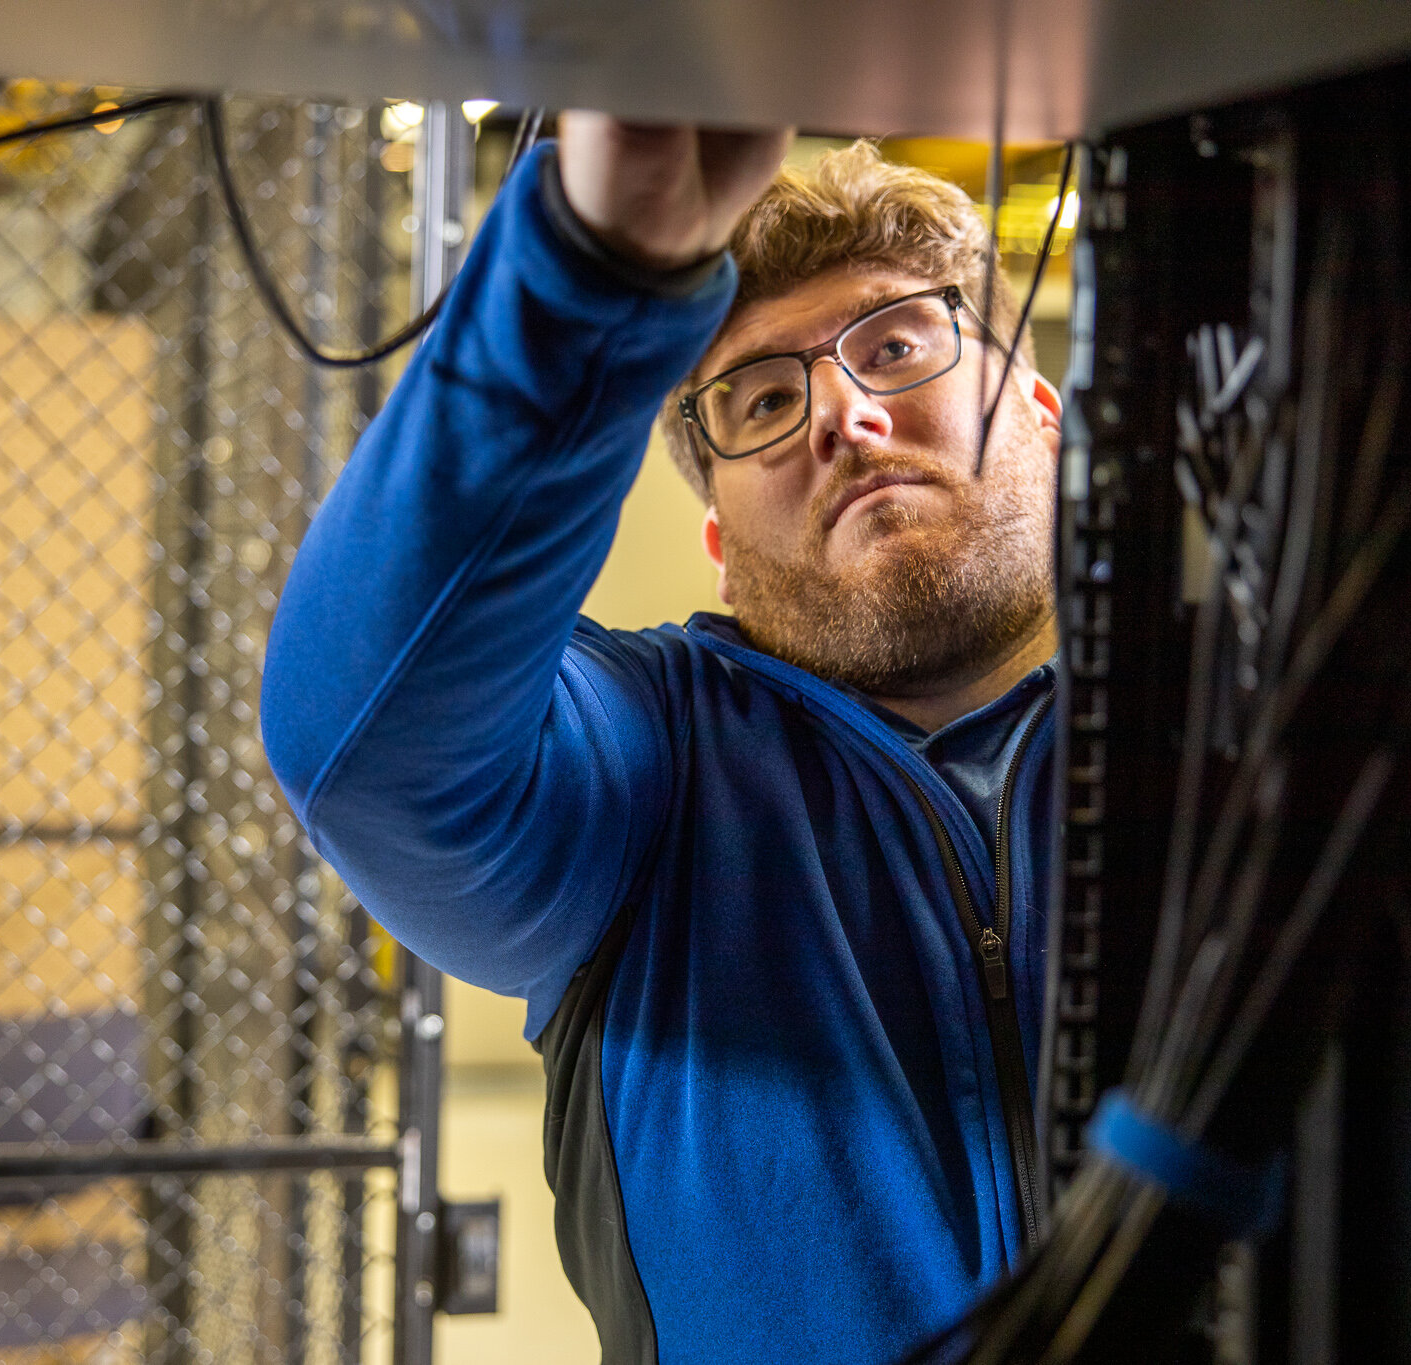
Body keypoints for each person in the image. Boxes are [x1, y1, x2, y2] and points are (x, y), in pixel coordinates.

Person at [260, 113, 1065, 1364]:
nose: (840, 417)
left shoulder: (1230, 731)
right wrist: (598, 265)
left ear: (1038, 410)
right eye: (759, 396)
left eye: (897, 345)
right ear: (719, 550)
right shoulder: (650, 773)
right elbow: (368, 747)